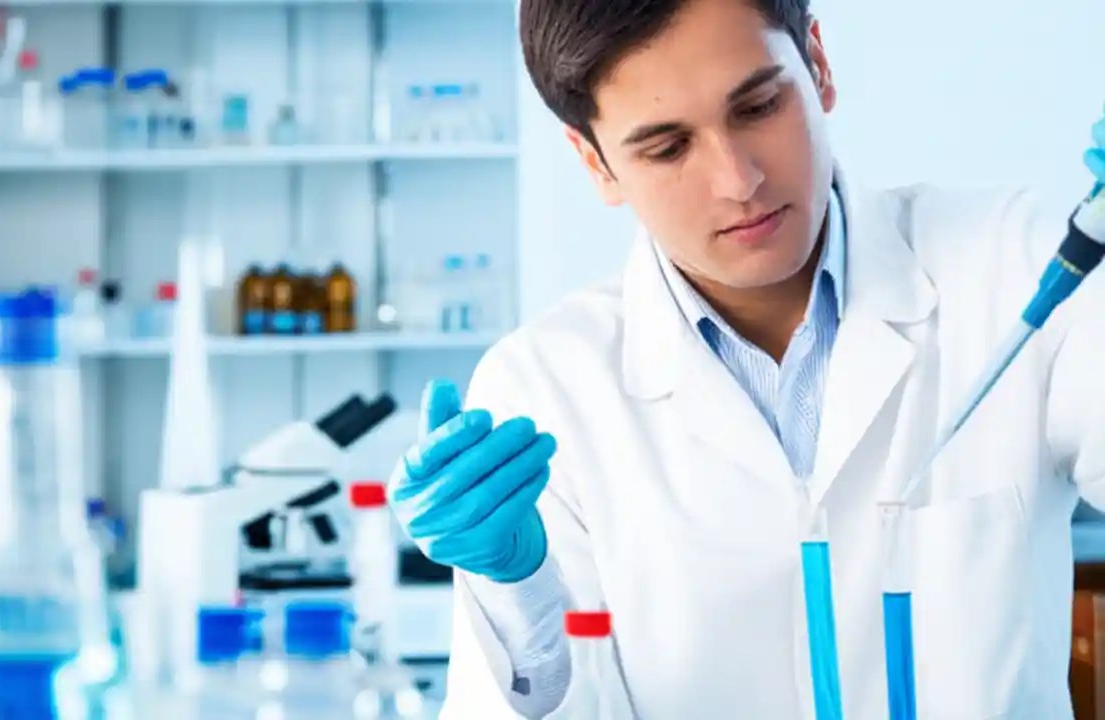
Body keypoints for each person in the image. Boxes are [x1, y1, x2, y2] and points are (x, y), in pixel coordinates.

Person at [386, 0, 1105, 717]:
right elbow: (544, 702)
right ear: (595, 162)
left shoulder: (1017, 269)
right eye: (668, 149)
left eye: (759, 107)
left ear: (817, 64)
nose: (737, 180)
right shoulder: (545, 386)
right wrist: (517, 595)